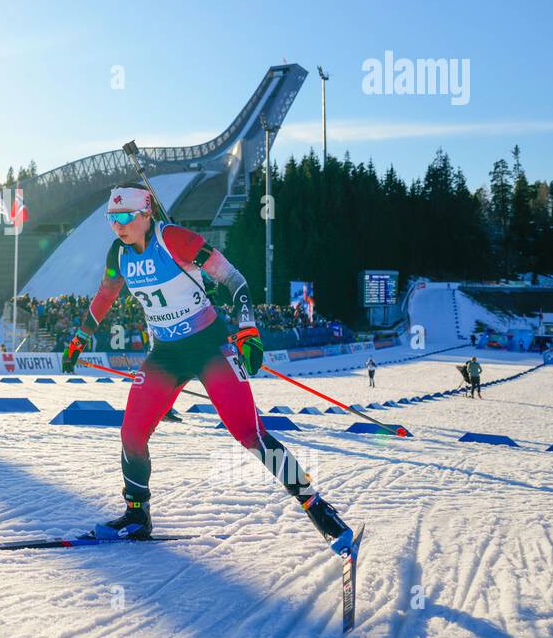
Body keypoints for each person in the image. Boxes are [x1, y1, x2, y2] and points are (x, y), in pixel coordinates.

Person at [61, 184, 355, 556]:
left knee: (250, 434)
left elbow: (235, 279)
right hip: (166, 353)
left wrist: (247, 328)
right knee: (132, 432)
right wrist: (78, 338)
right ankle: (137, 516)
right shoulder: (118, 254)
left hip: (209, 347)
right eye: (112, 219)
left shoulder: (175, 239)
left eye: (125, 217)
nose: (118, 225)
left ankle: (319, 510)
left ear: (146, 213)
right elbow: (105, 296)